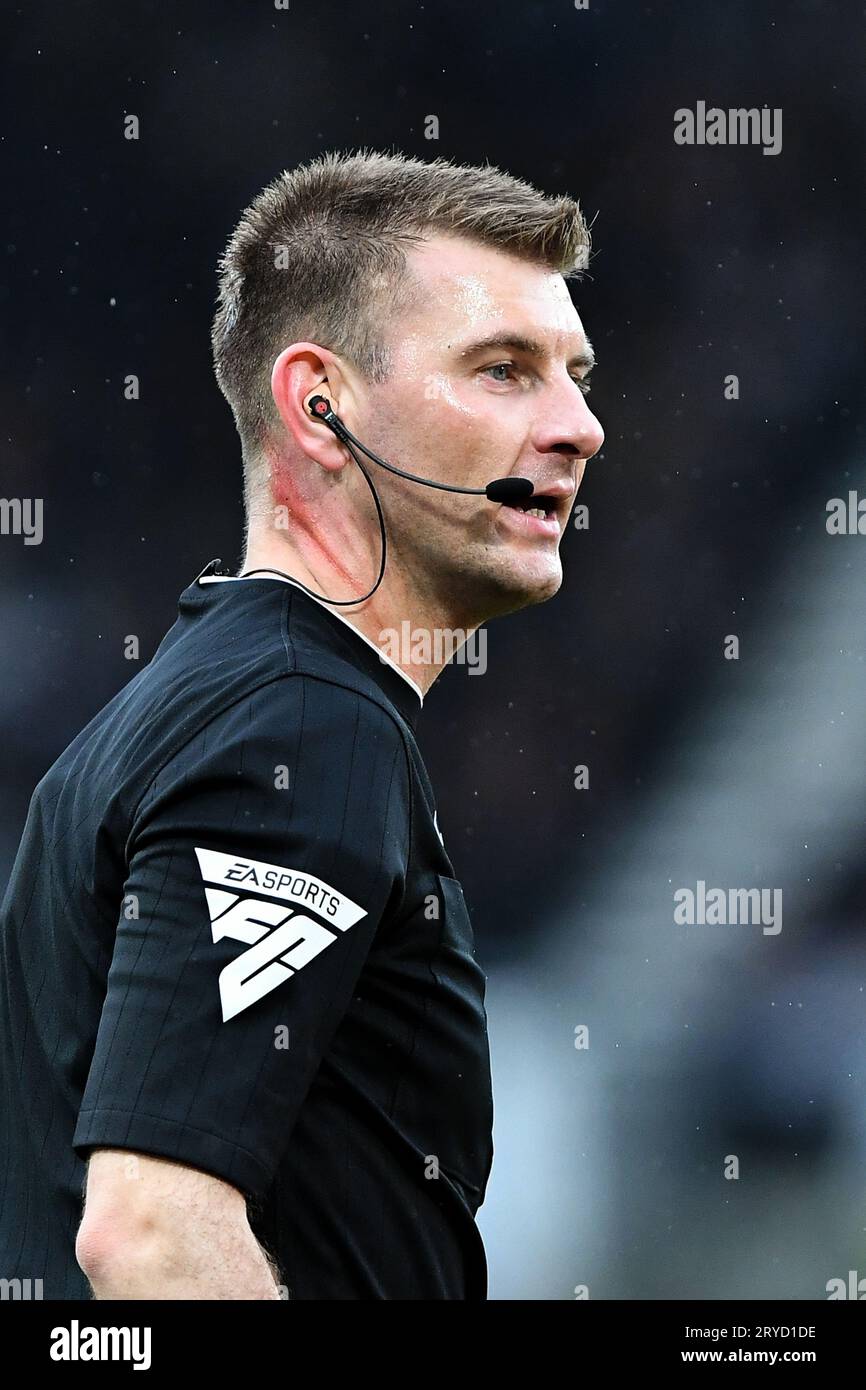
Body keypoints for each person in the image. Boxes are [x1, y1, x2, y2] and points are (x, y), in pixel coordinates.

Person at [0, 149, 604, 1300]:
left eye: (574, 376)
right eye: (503, 369)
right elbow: (154, 1237)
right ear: (320, 408)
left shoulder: (187, 707)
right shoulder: (301, 727)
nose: (579, 427)